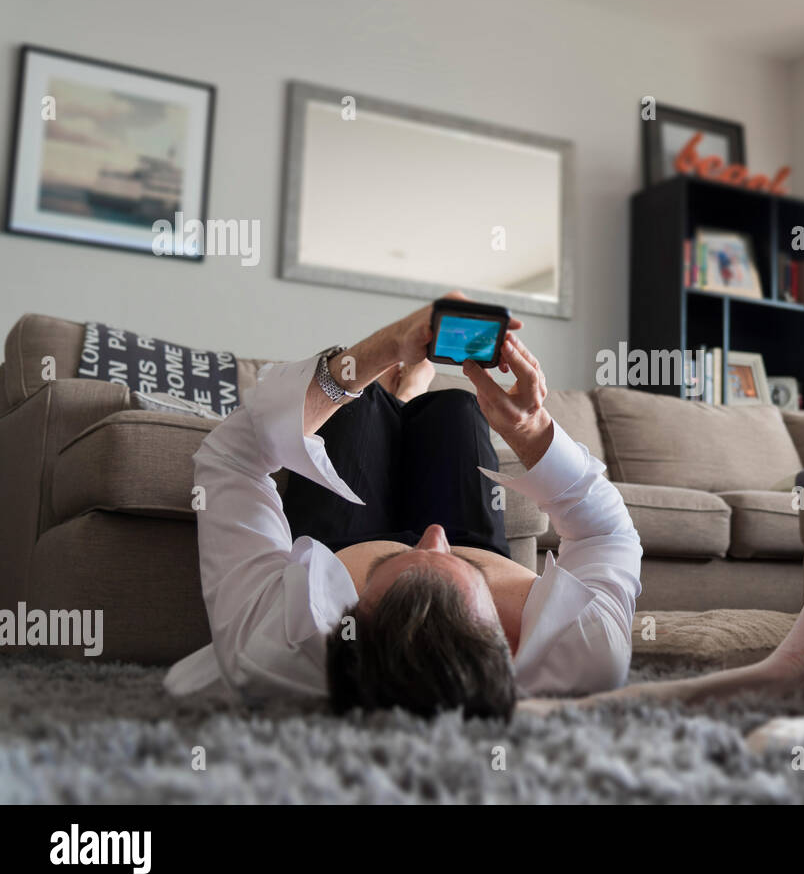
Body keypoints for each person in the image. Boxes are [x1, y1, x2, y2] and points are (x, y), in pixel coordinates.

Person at [163, 298, 642, 720]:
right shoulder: (586, 650)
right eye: (461, 572)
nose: (434, 534)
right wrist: (533, 430)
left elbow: (231, 461)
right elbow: (608, 535)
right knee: (457, 408)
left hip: (344, 543)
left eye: (387, 574)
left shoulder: (279, 644)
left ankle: (390, 398)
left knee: (359, 406)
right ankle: (412, 400)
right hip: (478, 542)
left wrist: (389, 345)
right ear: (509, 645)